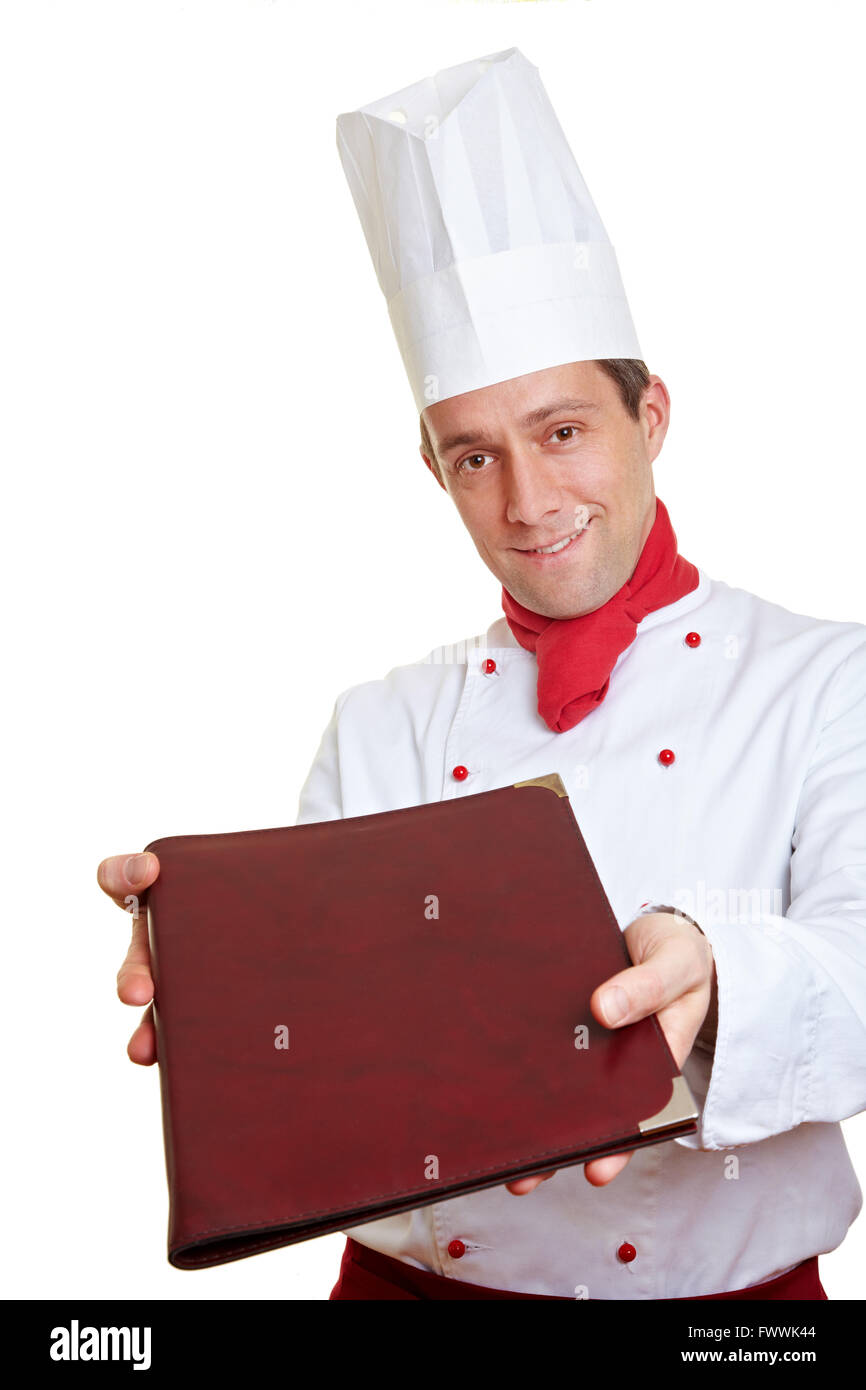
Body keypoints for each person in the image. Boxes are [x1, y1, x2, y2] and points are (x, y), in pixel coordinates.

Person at [98, 49, 866, 1300]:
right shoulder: (381, 722)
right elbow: (334, 1046)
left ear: (651, 415)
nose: (525, 501)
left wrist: (719, 975)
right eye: (472, 457)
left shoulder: (828, 679)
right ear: (432, 467)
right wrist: (228, 997)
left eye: (563, 432)